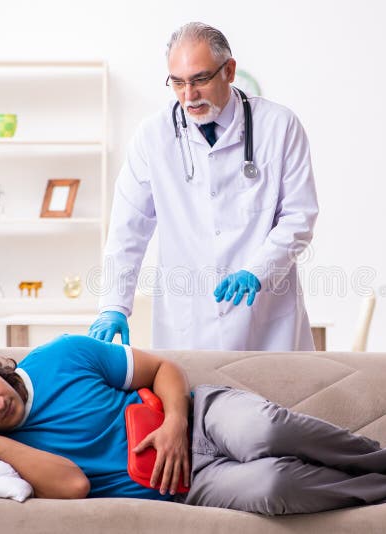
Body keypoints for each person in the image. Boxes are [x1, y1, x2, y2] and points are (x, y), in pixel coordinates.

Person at [0, 335, 386, 514]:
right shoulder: (1, 457)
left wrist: (177, 423)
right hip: (181, 485)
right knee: (270, 488)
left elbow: (163, 370)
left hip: (199, 418)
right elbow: (75, 486)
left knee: (265, 434)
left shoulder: (60, 356)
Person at [88, 22, 319, 351]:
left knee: (275, 397)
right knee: (192, 399)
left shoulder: (279, 126)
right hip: (188, 323)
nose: (188, 95)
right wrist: (113, 304)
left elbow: (300, 216)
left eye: (200, 80)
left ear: (229, 71)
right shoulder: (152, 136)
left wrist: (258, 271)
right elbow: (128, 229)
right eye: (178, 83)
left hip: (268, 323)